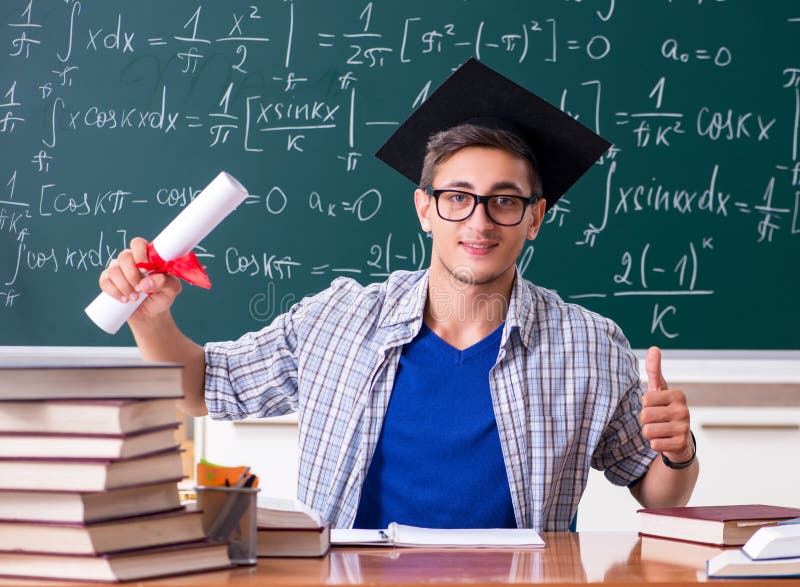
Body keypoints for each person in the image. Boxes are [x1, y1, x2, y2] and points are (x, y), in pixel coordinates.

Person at [98, 59, 698, 531]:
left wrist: (677, 452)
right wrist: (151, 318)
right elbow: (204, 387)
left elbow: (658, 493)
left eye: (504, 200)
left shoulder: (589, 344)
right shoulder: (336, 319)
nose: (479, 222)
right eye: (457, 197)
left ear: (535, 217)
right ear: (424, 208)